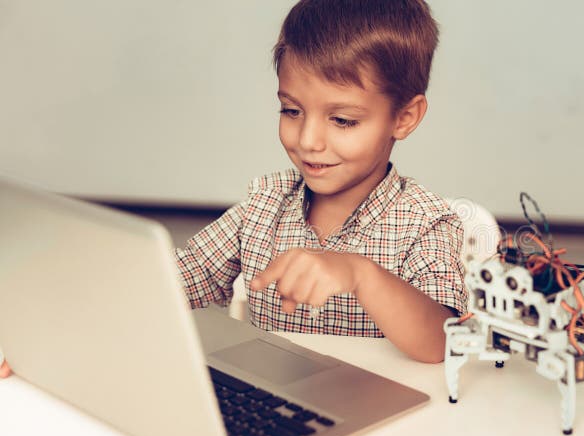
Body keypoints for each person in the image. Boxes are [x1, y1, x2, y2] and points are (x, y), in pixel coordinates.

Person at [0, 0, 466, 378]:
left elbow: (440, 343)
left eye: (342, 120)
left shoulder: (425, 220)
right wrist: (34, 331)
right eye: (291, 111)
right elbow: (169, 284)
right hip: (277, 407)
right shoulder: (264, 204)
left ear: (404, 117)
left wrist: (361, 274)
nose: (308, 141)